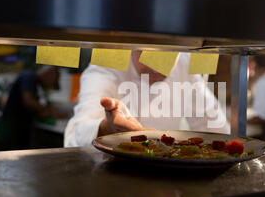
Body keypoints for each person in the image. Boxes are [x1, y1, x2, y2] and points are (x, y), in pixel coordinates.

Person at [65, 51, 229, 147]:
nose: (155, 65)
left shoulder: (185, 65)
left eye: (167, 53)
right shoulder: (108, 63)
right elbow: (73, 140)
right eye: (144, 50)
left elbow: (216, 130)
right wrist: (106, 129)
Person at [0, 66, 65, 150]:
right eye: (53, 83)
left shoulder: (35, 84)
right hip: (11, 130)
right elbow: (28, 101)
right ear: (50, 75)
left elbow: (31, 107)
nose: (50, 86)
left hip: (19, 131)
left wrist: (44, 113)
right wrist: (51, 111)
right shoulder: (28, 76)